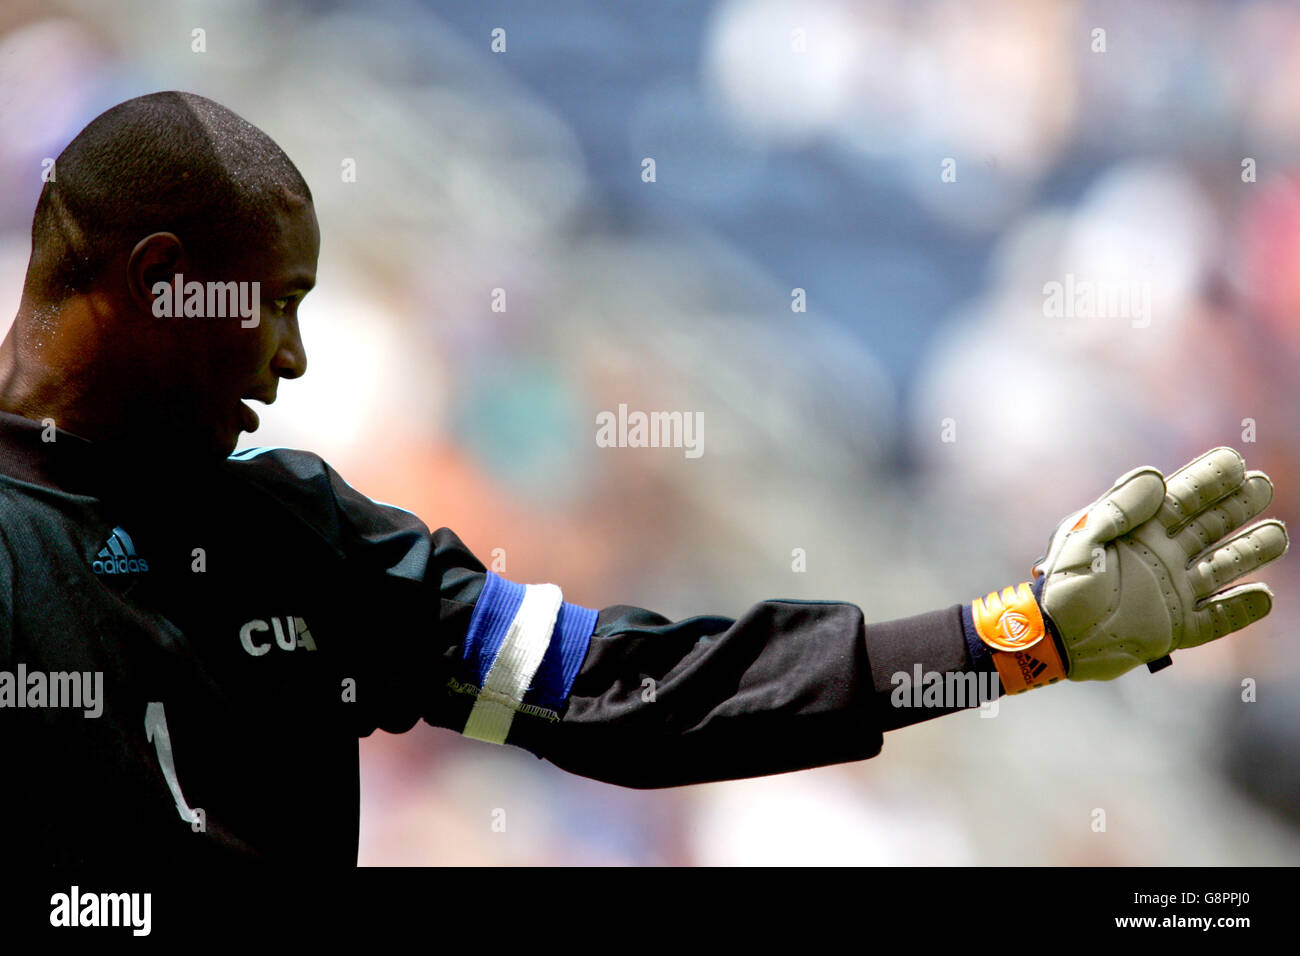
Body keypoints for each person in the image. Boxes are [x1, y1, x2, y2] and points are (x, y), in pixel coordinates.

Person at [0, 92, 1287, 865]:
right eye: (271, 306)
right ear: (163, 280)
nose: (290, 357)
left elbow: (634, 693)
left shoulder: (301, 536)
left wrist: (1021, 638)